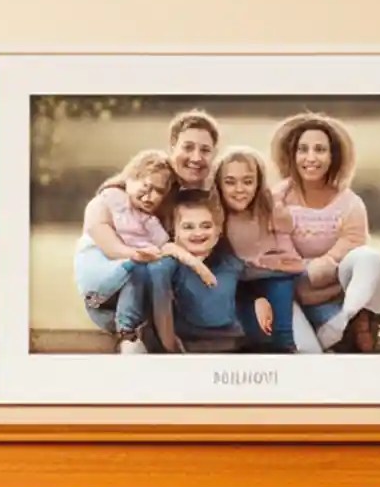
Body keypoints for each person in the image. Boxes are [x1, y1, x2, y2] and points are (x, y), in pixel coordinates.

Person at [73, 150, 212, 353]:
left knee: (140, 276)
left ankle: (129, 331)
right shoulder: (109, 201)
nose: (150, 196)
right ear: (129, 179)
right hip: (101, 283)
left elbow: (167, 246)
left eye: (159, 192)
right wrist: (133, 255)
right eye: (146, 187)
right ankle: (131, 331)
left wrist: (197, 265)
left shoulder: (149, 222)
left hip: (124, 293)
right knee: (137, 269)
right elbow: (108, 245)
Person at [271, 112, 380, 352]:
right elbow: (270, 246)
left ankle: (352, 317)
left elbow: (354, 242)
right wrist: (302, 271)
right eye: (303, 149)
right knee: (310, 350)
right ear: (292, 155)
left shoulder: (350, 203)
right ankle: (335, 333)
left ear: (333, 156)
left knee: (370, 258)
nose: (310, 158)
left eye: (320, 150)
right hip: (292, 294)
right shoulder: (276, 198)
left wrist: (328, 261)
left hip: (335, 293)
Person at [213, 146, 306, 352]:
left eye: (247, 181)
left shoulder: (269, 210)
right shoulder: (216, 217)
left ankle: (286, 352)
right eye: (230, 182)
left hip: (274, 279)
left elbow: (290, 261)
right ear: (218, 184)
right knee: (255, 335)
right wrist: (257, 297)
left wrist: (275, 263)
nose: (239, 189)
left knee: (281, 332)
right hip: (239, 285)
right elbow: (226, 268)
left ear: (258, 183)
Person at [146, 189, 253, 353]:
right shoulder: (168, 266)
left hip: (232, 344)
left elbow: (252, 286)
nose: (198, 233)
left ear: (219, 229)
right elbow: (160, 304)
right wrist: (170, 346)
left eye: (206, 226)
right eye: (188, 227)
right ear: (175, 232)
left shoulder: (231, 263)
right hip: (187, 345)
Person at [167, 109, 220, 190]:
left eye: (205, 150)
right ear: (172, 147)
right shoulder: (151, 196)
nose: (196, 158)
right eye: (188, 147)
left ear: (214, 153)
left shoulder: (224, 197)